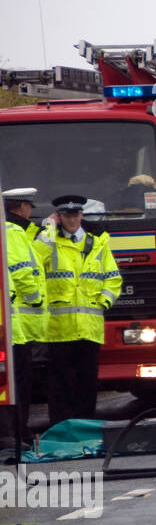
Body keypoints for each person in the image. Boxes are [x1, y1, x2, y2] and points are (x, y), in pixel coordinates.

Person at [33, 194, 121, 425]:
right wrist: (49, 227)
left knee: (87, 382)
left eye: (75, 215)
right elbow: (34, 258)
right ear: (59, 217)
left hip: (89, 329)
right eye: (65, 216)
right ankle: (61, 428)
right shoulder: (50, 243)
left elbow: (113, 279)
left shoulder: (98, 244)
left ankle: (87, 427)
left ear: (81, 215)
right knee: (59, 384)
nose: (71, 220)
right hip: (59, 330)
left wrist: (103, 303)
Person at [1, 188, 46, 449]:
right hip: (17, 327)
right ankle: (18, 435)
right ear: (21, 208)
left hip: (13, 325)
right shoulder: (14, 232)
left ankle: (18, 434)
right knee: (18, 385)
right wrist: (35, 298)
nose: (32, 210)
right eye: (29, 206)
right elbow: (22, 271)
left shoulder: (12, 230)